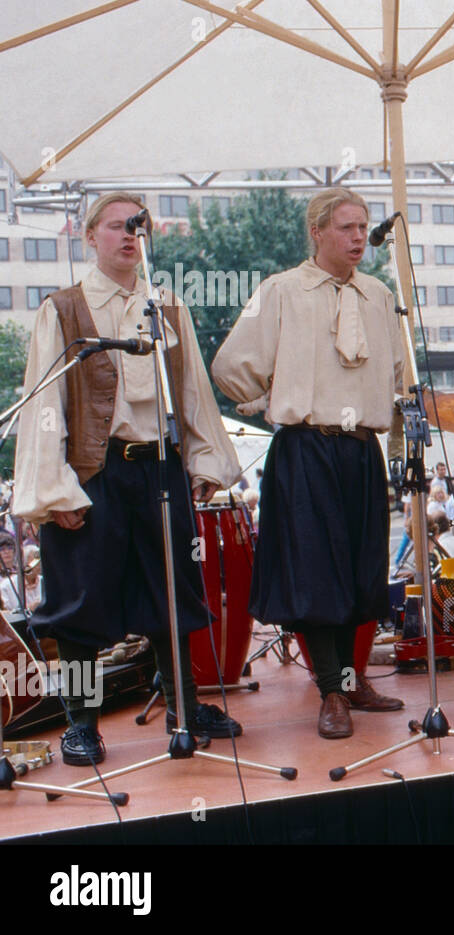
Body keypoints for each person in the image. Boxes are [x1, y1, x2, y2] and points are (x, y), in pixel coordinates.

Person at [13, 190, 244, 765]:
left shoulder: (166, 307)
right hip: (92, 473)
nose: (128, 237)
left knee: (175, 593)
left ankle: (184, 707)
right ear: (90, 237)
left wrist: (205, 462)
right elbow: (43, 406)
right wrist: (52, 490)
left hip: (159, 468)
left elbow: (193, 392)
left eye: (136, 227)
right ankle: (82, 723)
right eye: (115, 227)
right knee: (78, 605)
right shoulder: (63, 309)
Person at [213, 188, 405, 739]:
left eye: (363, 226)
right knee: (317, 574)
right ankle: (330, 691)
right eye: (345, 227)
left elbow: (392, 372)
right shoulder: (281, 291)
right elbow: (231, 365)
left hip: (360, 447)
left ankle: (350, 678)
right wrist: (268, 402)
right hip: (306, 446)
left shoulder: (378, 295)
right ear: (316, 232)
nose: (357, 236)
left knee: (359, 571)